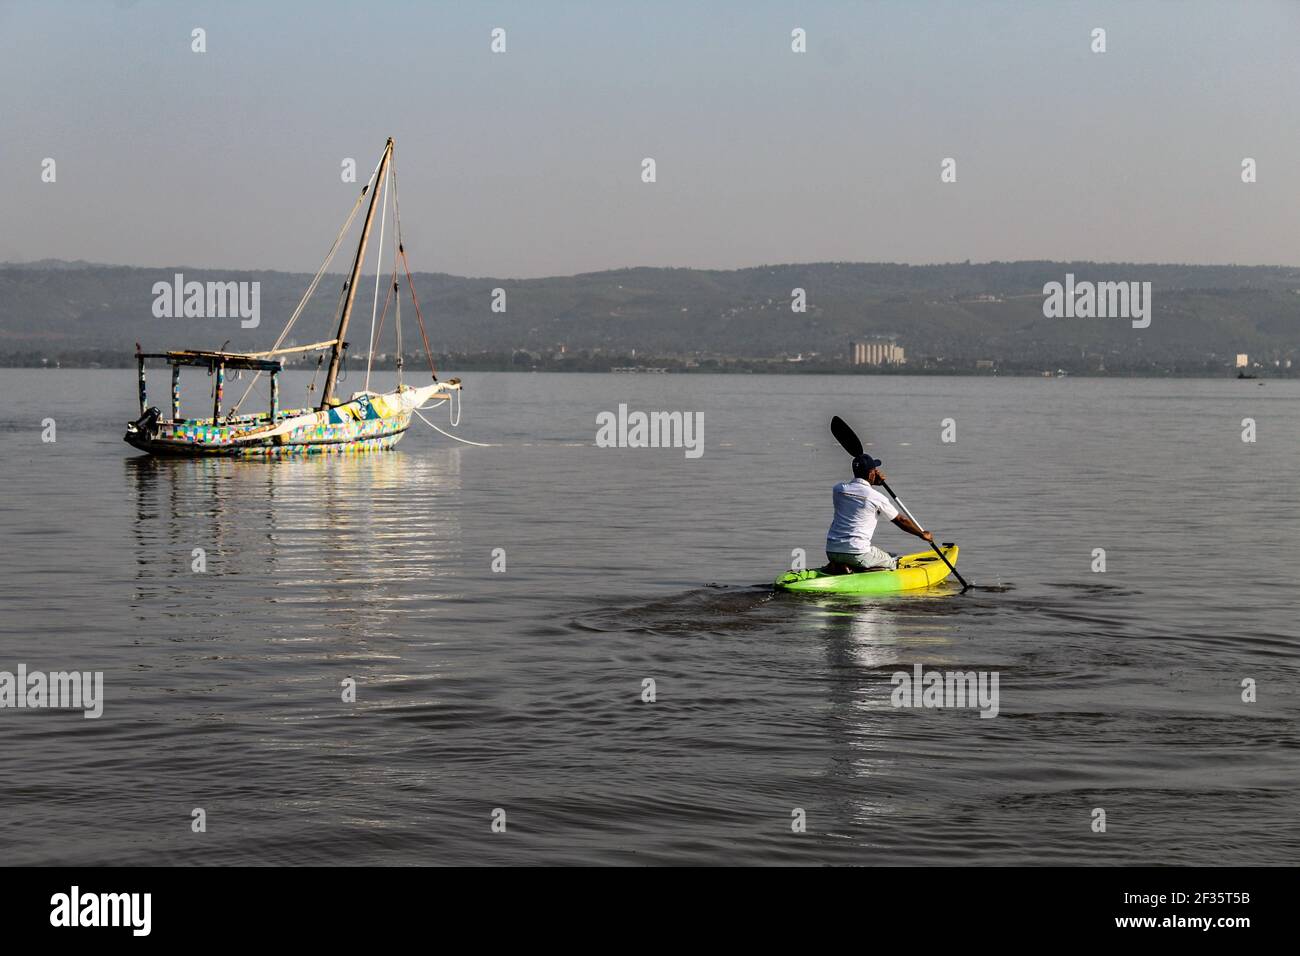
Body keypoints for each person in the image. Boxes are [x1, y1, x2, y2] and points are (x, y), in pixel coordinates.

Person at [825, 454, 933, 573]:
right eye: (875, 470)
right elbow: (900, 520)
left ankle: (842, 566)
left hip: (832, 551)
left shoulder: (838, 489)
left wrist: (872, 482)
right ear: (872, 473)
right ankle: (855, 569)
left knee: (881, 555)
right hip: (857, 552)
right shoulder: (876, 497)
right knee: (893, 562)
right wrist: (921, 534)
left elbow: (859, 492)